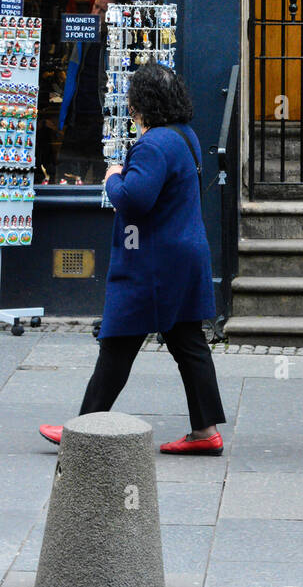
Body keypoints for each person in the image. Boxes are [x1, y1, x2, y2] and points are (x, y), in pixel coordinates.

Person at [39, 62, 226, 455]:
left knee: (118, 342)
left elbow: (134, 200)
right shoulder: (186, 137)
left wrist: (112, 175)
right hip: (184, 254)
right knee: (188, 343)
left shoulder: (154, 144)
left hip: (153, 264)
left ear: (144, 103)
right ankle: (205, 431)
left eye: (133, 99)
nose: (131, 105)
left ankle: (81, 433)